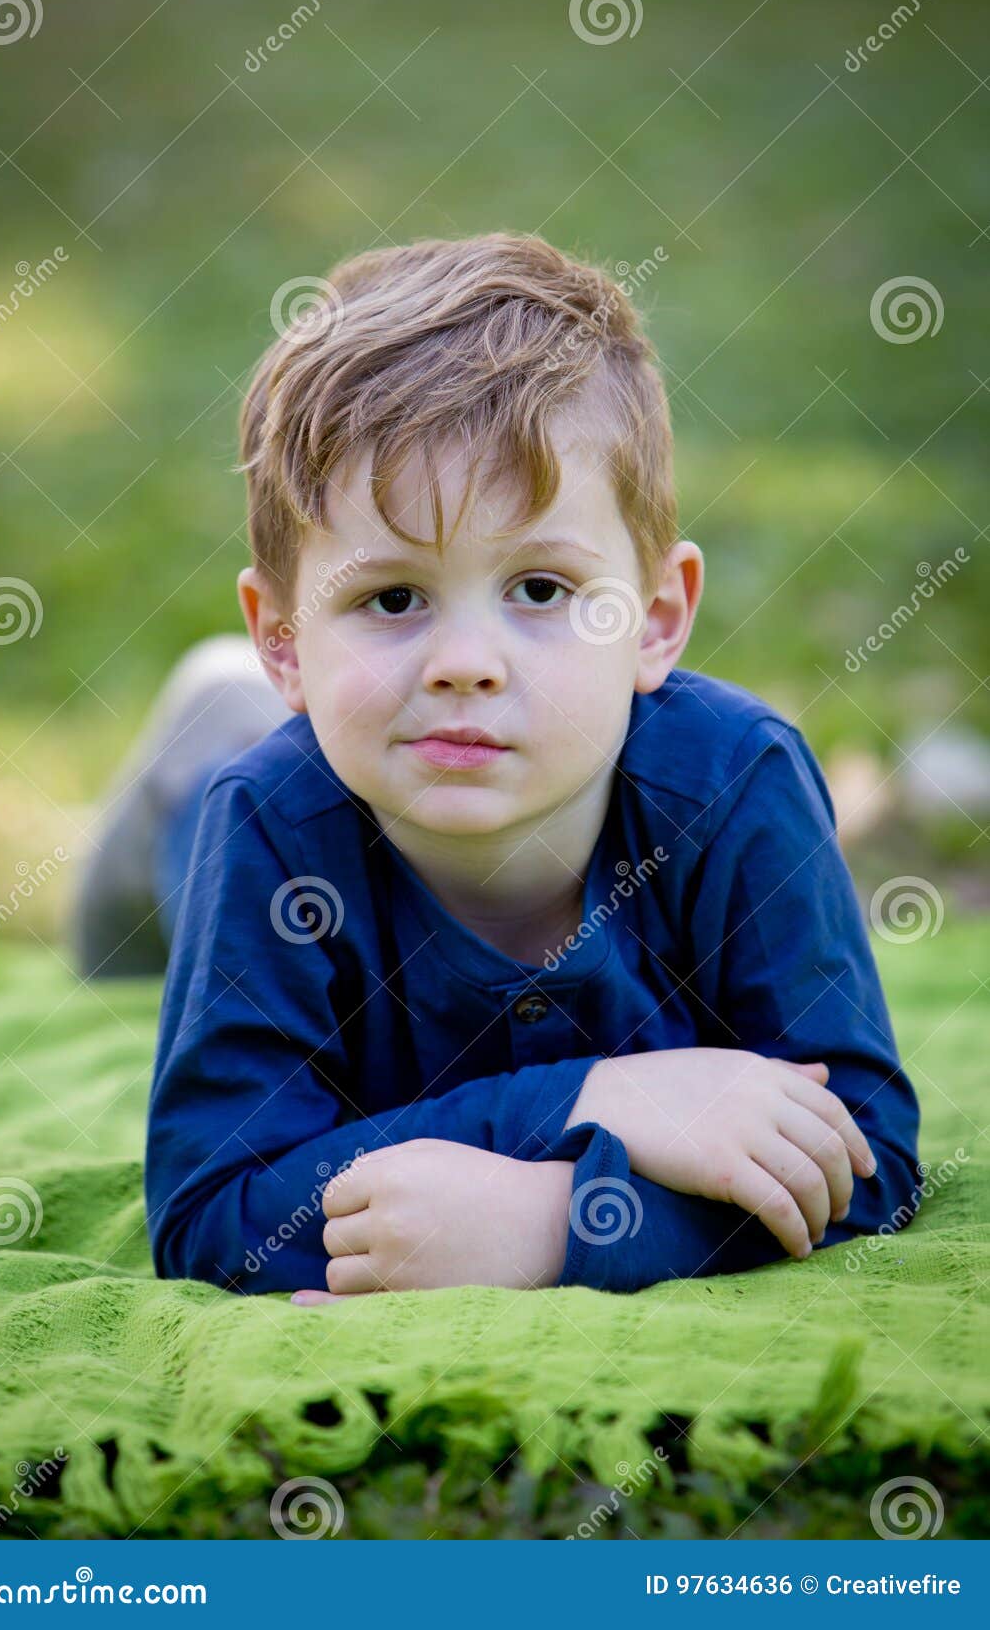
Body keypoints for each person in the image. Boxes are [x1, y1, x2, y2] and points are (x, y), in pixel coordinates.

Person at [75, 232, 920, 1304]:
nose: (466, 666)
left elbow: (864, 1162)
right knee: (186, 820)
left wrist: (559, 1228)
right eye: (391, 598)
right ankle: (211, 716)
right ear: (283, 638)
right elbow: (210, 1218)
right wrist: (596, 1098)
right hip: (230, 804)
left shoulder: (734, 784)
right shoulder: (263, 827)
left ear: (655, 618)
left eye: (538, 589)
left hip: (354, 735)